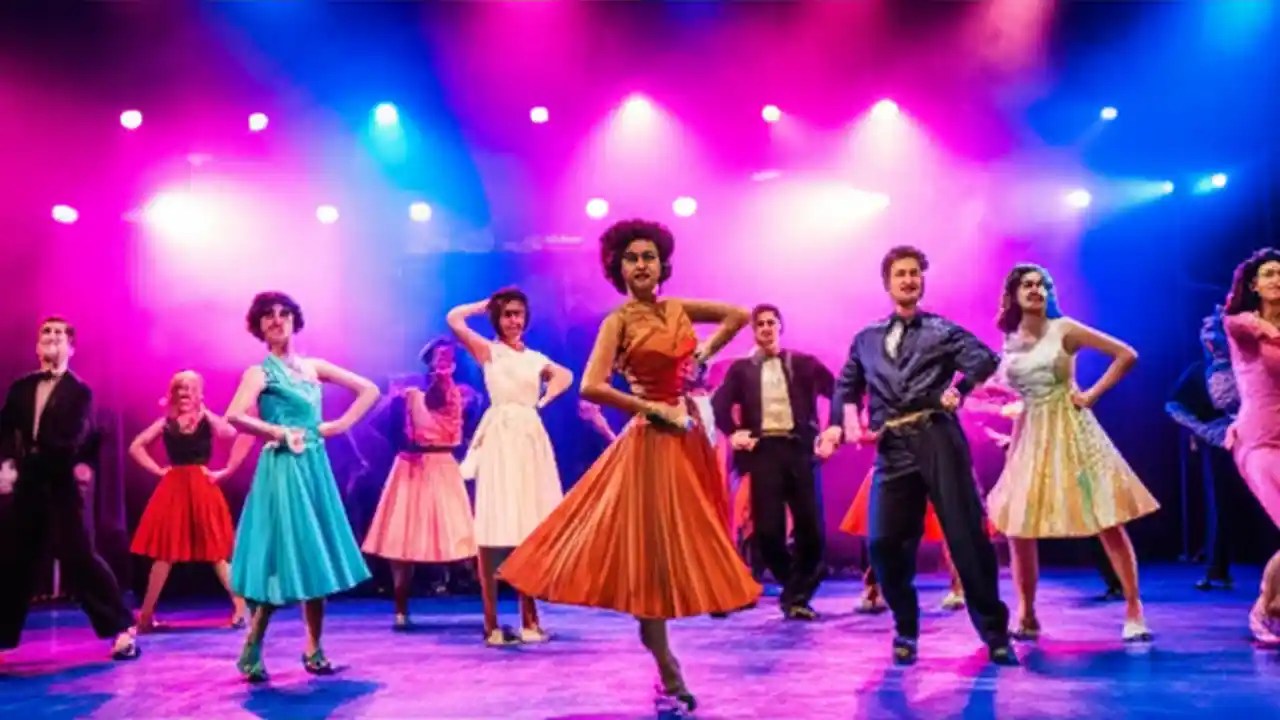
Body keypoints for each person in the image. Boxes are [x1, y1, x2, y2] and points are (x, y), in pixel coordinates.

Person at [499, 219, 761, 715]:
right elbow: (591, 386)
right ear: (619, 269)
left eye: (649, 257)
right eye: (632, 258)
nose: (642, 264)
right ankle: (668, 669)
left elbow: (738, 315)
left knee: (683, 549)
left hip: (687, 440)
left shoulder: (679, 308)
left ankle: (676, 652)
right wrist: (652, 408)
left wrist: (703, 353)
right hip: (651, 443)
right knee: (648, 561)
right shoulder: (617, 322)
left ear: (662, 264)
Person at [817, 245, 1015, 666]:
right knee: (884, 542)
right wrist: (836, 425)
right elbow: (845, 386)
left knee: (966, 536)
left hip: (937, 435)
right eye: (900, 274)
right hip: (893, 445)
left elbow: (984, 359)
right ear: (888, 283)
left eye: (914, 273)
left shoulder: (941, 330)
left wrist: (958, 391)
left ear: (921, 280)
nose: (908, 280)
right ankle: (905, 625)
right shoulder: (866, 339)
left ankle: (995, 633)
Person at [983, 263, 1158, 642]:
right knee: (1018, 525)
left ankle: (1133, 609)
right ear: (1013, 294)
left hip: (1070, 427)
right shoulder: (1010, 339)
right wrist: (1012, 452)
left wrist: (1091, 395)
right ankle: (1027, 614)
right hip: (1030, 431)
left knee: (1106, 516)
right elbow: (1018, 397)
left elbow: (1126, 354)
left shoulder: (1064, 329)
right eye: (1027, 285)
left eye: (1042, 284)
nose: (1035, 289)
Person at [225, 292, 379, 681]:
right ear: (259, 326)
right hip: (282, 469)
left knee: (316, 555)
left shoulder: (314, 367)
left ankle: (314, 648)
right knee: (283, 557)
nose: (277, 320)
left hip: (314, 466)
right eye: (268, 316)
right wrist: (277, 431)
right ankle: (253, 643)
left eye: (284, 314)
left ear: (295, 319)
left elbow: (369, 390)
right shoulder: (260, 372)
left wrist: (339, 426)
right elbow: (234, 415)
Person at [0, 316, 140, 660]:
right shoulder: (21, 388)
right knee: (13, 560)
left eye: (59, 334)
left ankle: (122, 628)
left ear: (70, 348)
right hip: (29, 484)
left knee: (78, 557)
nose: (52, 338)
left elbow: (72, 437)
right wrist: (6, 464)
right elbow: (4, 429)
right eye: (46, 333)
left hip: (59, 481)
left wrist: (41, 464)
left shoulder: (79, 391)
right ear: (37, 346)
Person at [448, 288, 571, 646]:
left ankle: (530, 619)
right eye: (507, 315)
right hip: (501, 436)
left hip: (530, 435)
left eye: (518, 314)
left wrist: (544, 400)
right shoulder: (490, 351)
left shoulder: (535, 357)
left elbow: (564, 375)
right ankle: (491, 623)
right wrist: (485, 304)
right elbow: (454, 318)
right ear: (497, 319)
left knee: (529, 525)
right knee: (495, 523)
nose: (514, 320)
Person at [711, 304, 833, 619]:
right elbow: (719, 404)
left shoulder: (803, 363)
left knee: (812, 530)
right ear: (754, 331)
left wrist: (833, 429)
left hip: (800, 450)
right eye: (760, 324)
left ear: (781, 327)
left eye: (771, 323)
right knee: (767, 532)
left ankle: (798, 596)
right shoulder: (742, 370)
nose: (766, 328)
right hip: (764, 452)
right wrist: (734, 432)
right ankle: (793, 589)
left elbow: (839, 390)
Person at [362, 338, 478, 628]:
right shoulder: (410, 390)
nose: (443, 360)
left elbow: (448, 411)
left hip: (441, 464)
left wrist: (416, 393)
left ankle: (489, 602)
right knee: (401, 540)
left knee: (463, 539)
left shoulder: (459, 392)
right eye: (438, 356)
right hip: (410, 466)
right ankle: (400, 609)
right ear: (428, 360)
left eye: (449, 356)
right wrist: (395, 399)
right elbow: (374, 423)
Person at [128, 370, 251, 631]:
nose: (184, 393)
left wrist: (206, 412)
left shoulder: (206, 419)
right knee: (165, 553)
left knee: (216, 553)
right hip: (174, 489)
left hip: (202, 487)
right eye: (179, 388)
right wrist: (158, 470)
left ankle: (241, 608)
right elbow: (136, 446)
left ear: (198, 394)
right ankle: (146, 616)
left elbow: (229, 432)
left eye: (190, 388)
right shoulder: (166, 422)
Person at [1220, 248, 1280, 644]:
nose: (1278, 280)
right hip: (1258, 442)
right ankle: (1263, 608)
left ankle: (1272, 604)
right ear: (1255, 284)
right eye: (1270, 274)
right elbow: (1246, 325)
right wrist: (1269, 328)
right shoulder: (1241, 323)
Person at [1165, 306, 1242, 590]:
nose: (1211, 340)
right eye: (1206, 334)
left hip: (1257, 434)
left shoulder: (1248, 363)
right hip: (1221, 441)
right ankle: (1216, 569)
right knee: (1219, 504)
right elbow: (1173, 405)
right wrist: (1204, 430)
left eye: (1216, 333)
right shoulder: (1199, 370)